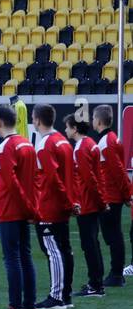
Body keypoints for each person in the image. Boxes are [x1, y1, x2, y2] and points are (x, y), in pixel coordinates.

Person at [0, 104, 38, 309]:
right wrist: (33, 208)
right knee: (25, 258)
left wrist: (26, 206)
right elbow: (34, 181)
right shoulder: (28, 144)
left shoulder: (5, 148)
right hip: (25, 210)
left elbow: (12, 182)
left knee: (12, 259)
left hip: (10, 210)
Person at [31, 104, 75, 309]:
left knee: (53, 251)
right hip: (62, 205)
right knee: (65, 249)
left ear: (38, 120)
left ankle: (56, 296)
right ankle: (65, 295)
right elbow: (69, 176)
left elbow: (52, 178)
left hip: (49, 206)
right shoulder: (63, 142)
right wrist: (71, 201)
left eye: (33, 118)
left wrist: (66, 201)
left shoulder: (45, 145)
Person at [65, 113, 106, 298]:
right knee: (93, 243)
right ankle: (96, 282)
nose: (66, 130)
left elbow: (88, 179)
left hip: (87, 203)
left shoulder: (81, 148)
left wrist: (98, 201)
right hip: (91, 202)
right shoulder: (91, 144)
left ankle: (96, 285)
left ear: (74, 128)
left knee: (89, 244)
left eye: (67, 126)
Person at [92, 104, 131, 287]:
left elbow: (118, 172)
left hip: (110, 197)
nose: (92, 121)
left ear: (99, 121)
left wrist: (127, 194)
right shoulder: (111, 139)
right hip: (112, 196)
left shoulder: (106, 142)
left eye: (93, 118)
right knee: (113, 235)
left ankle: (116, 274)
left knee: (113, 236)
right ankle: (116, 273)